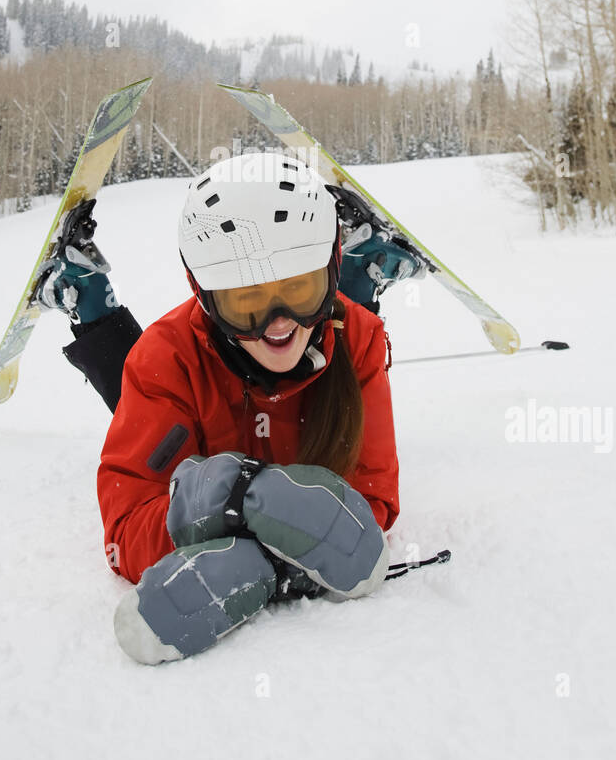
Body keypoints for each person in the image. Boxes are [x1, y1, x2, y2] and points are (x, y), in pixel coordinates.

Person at [36, 149, 421, 664]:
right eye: (246, 303)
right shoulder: (165, 355)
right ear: (204, 294)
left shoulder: (362, 337)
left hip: (334, 327)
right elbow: (126, 529)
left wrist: (268, 564)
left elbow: (374, 498)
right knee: (141, 377)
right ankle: (88, 297)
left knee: (339, 325)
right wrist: (220, 501)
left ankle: (357, 266)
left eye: (298, 290)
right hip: (184, 381)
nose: (276, 323)